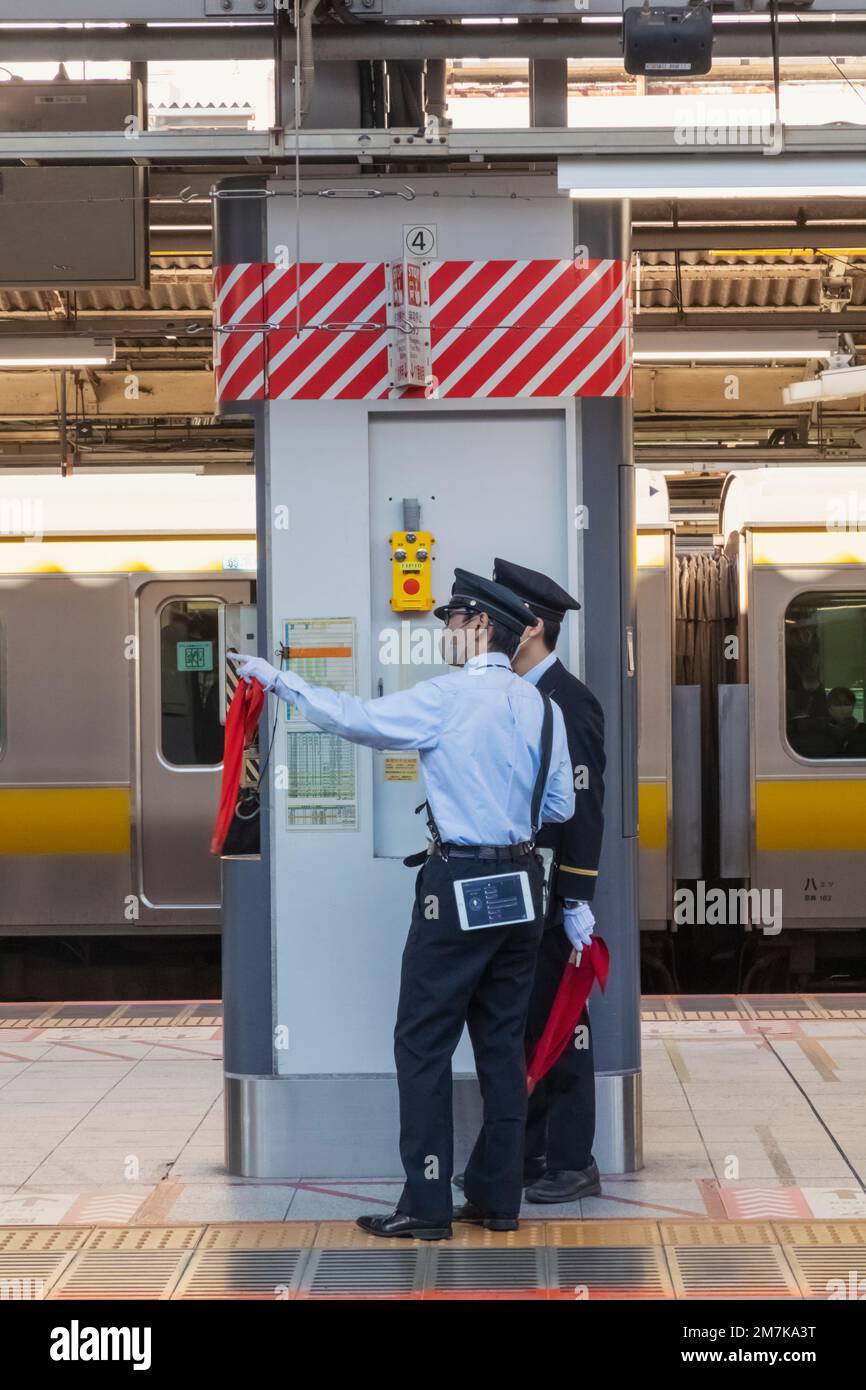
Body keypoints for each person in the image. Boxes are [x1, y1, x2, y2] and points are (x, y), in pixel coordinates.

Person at [230, 569, 574, 1241]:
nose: (444, 635)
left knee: (422, 1044)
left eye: (450, 624)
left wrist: (278, 680)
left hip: (458, 886)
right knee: (502, 1044)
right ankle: (499, 1200)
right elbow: (559, 804)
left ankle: (426, 1202)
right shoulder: (542, 705)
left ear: (478, 627)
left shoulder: (447, 698)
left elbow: (356, 721)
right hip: (522, 886)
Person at [488, 557, 606, 1204]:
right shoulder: (519, 697)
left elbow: (583, 808)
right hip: (518, 892)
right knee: (523, 1023)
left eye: (502, 618)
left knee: (565, 1024)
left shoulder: (569, 702)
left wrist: (576, 900)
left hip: (554, 894)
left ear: (530, 627)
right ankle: (528, 1155)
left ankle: (571, 1158)